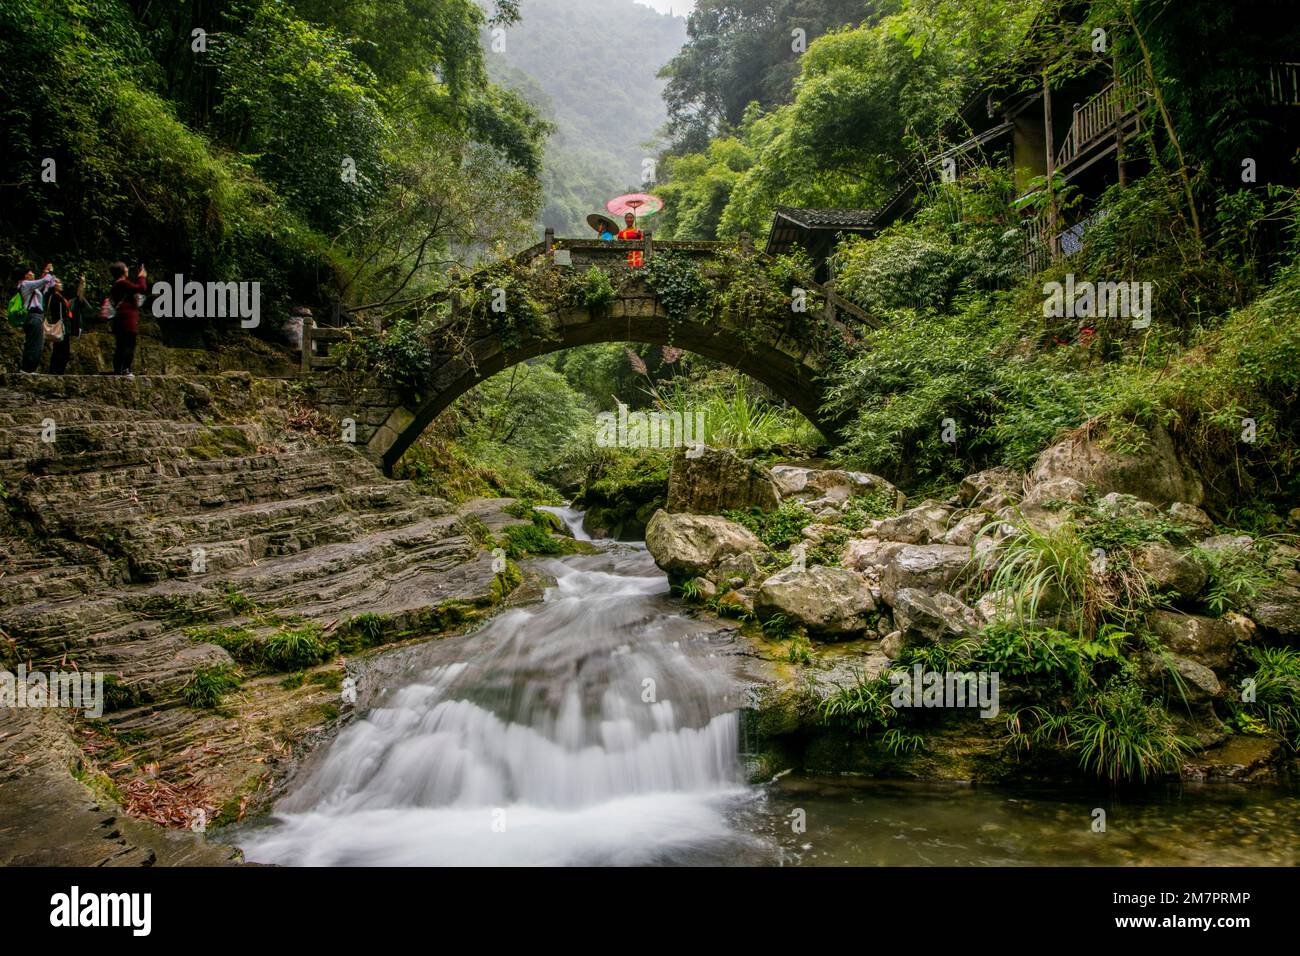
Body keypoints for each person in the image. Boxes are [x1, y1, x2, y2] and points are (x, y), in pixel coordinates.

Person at [12, 262, 59, 373]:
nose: (33, 273)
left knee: (32, 343)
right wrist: (49, 271)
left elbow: (48, 283)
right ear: (25, 275)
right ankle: (27, 369)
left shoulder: (27, 285)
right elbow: (45, 281)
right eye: (30, 272)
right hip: (34, 316)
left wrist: (48, 275)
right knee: (35, 344)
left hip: (34, 317)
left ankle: (28, 368)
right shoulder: (25, 284)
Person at [109, 261, 147, 378]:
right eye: (126, 267)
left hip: (120, 319)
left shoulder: (116, 285)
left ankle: (118, 369)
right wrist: (141, 277)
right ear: (122, 271)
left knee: (121, 345)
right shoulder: (122, 284)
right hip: (127, 319)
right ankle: (126, 369)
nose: (127, 269)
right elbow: (142, 288)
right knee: (129, 344)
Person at [46, 274, 85, 375]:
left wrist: (81, 284)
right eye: (58, 282)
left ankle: (58, 371)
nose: (60, 284)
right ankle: (55, 371)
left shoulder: (62, 296)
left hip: (65, 325)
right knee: (60, 349)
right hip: (60, 324)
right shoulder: (54, 297)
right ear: (53, 285)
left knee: (64, 350)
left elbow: (77, 296)